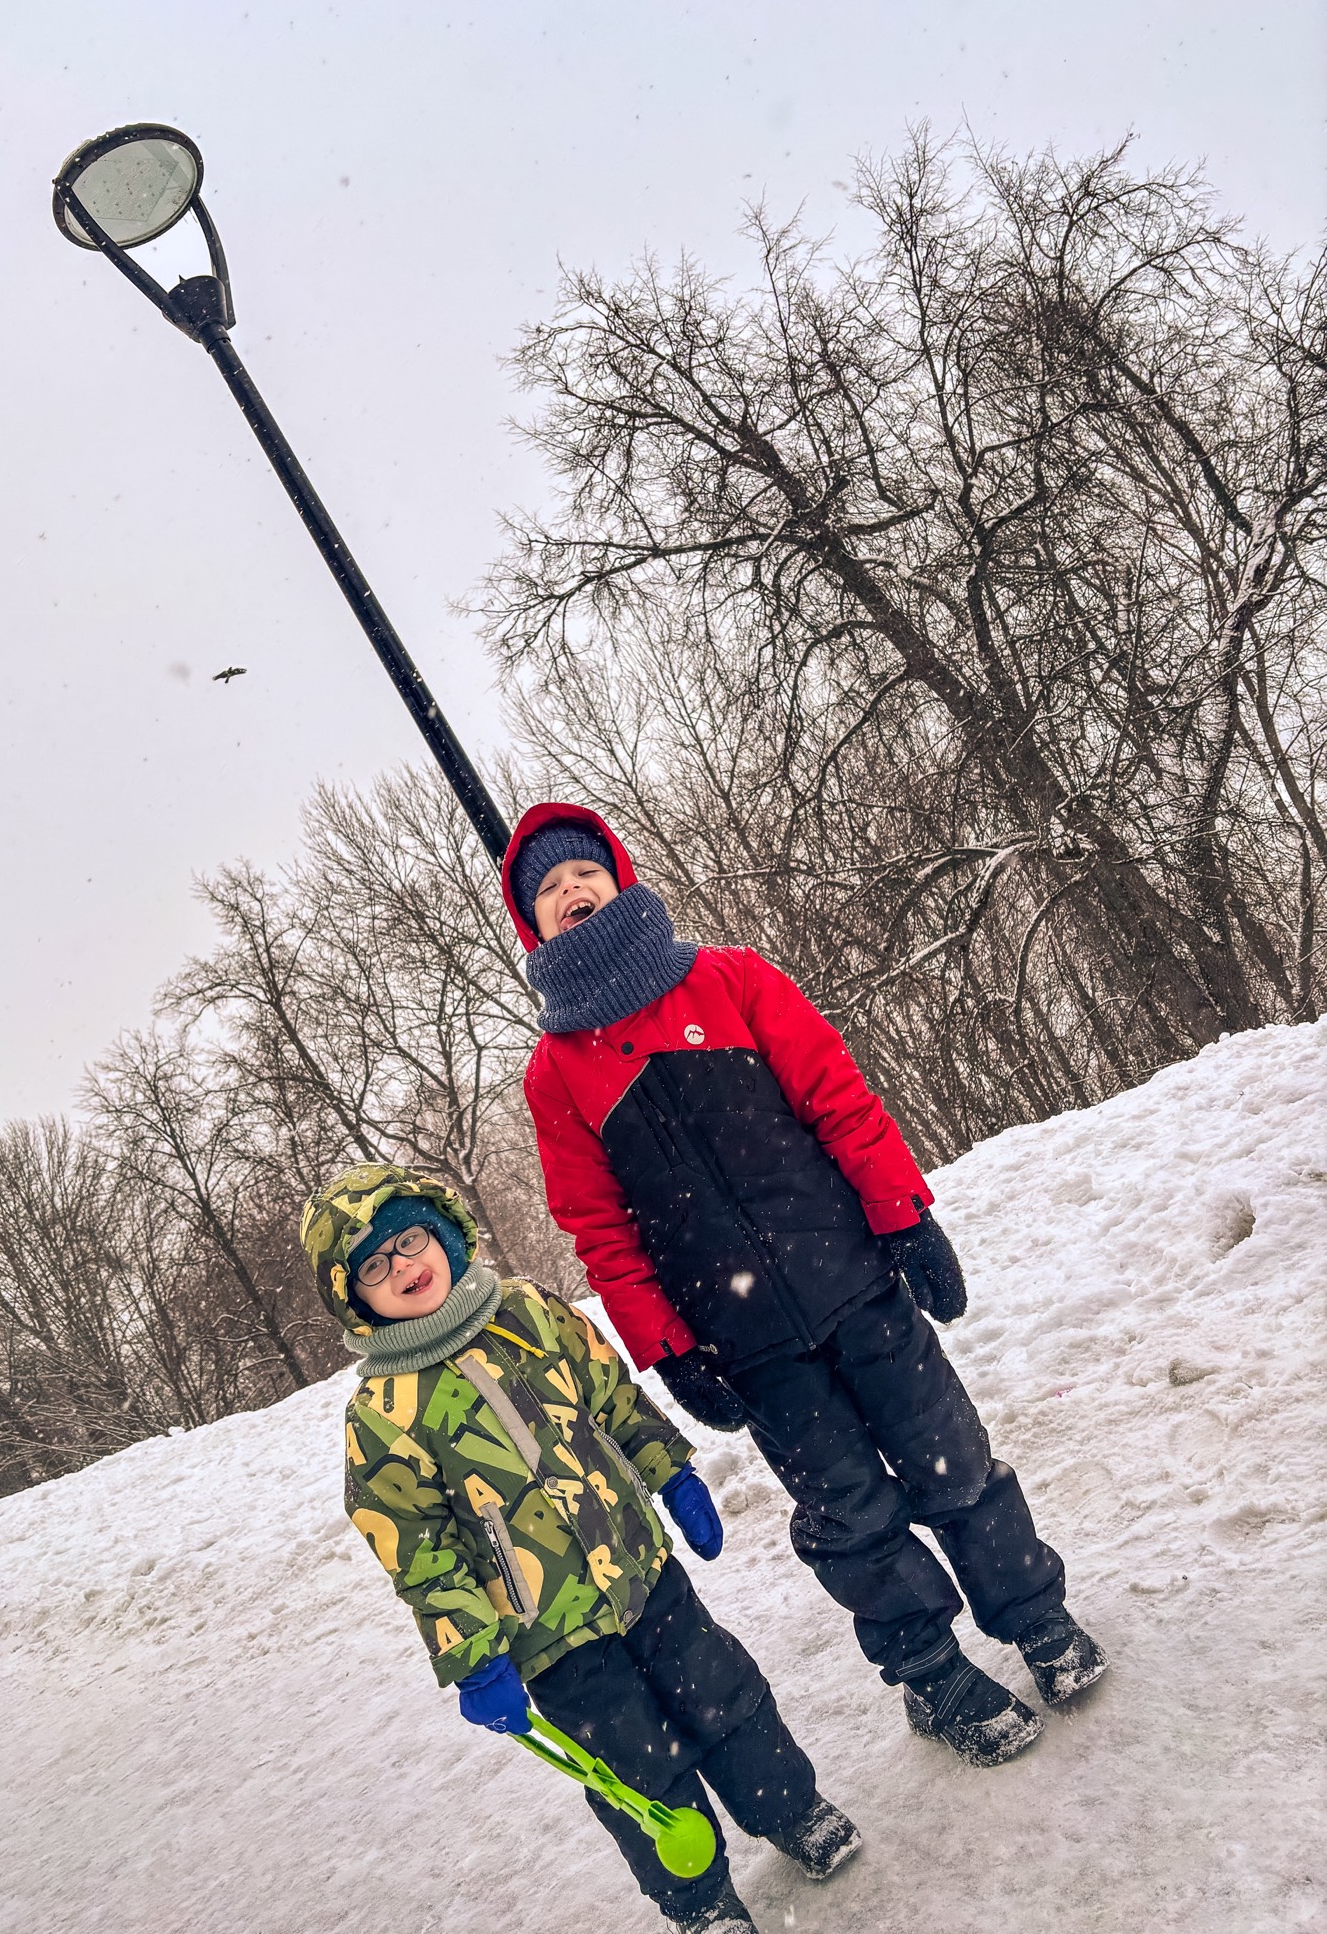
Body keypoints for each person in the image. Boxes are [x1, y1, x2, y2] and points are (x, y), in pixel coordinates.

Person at [500, 803, 1108, 1769]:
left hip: (857, 1284)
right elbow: (600, 1232)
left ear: (617, 877)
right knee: (852, 1514)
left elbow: (837, 1094)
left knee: (952, 1459)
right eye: (545, 890)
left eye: (582, 873)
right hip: (750, 1347)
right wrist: (667, 1346)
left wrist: (904, 1215)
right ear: (532, 925)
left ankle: (1035, 1614)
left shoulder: (727, 977)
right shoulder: (557, 1073)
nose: (569, 891)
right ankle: (932, 1674)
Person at [303, 1162, 862, 1934]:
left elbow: (613, 1397)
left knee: (724, 1693)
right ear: (355, 1296)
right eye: (375, 1263)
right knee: (634, 1765)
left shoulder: (528, 1311)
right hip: (547, 1633)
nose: (403, 1266)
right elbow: (419, 1551)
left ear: (443, 1234)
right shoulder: (383, 1413)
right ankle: (700, 1903)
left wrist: (671, 1472)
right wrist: (473, 1651)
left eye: (410, 1239)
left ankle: (791, 1808)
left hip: (643, 1571)